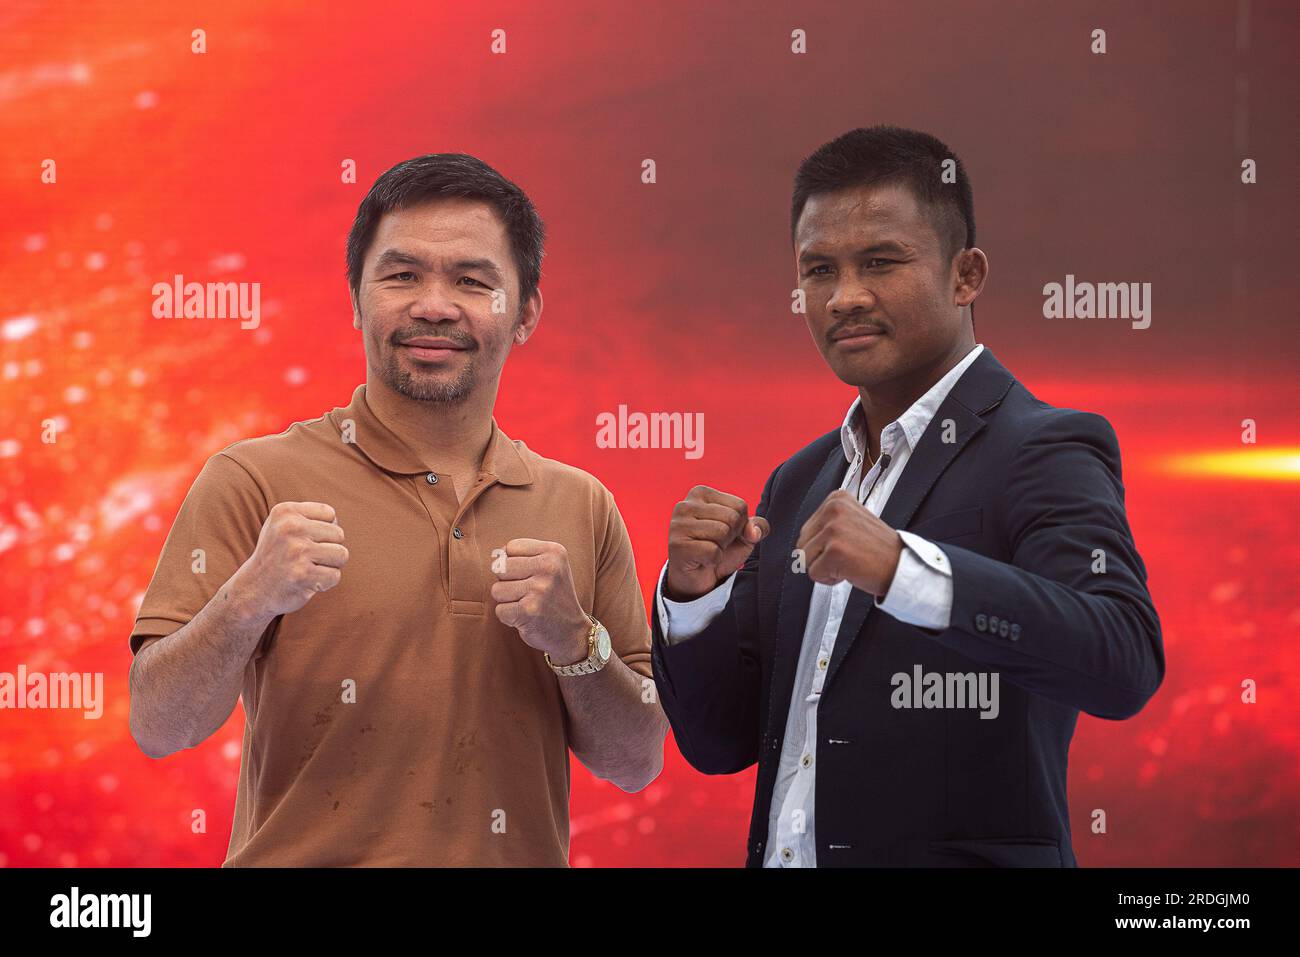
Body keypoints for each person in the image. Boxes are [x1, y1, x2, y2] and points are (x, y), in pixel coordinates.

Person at [128, 153, 668, 866]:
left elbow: (634, 760)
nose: (434, 306)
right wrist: (247, 600)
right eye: (402, 275)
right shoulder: (252, 480)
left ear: (527, 311)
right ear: (356, 298)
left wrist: (575, 641)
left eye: (472, 281)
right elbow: (160, 725)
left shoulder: (583, 505)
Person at [651, 126, 1164, 867]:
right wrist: (695, 598)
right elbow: (720, 743)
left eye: (881, 262)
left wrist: (904, 570)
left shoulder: (1044, 445)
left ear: (966, 275)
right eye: (819, 269)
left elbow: (1122, 659)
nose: (845, 296)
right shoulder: (798, 480)